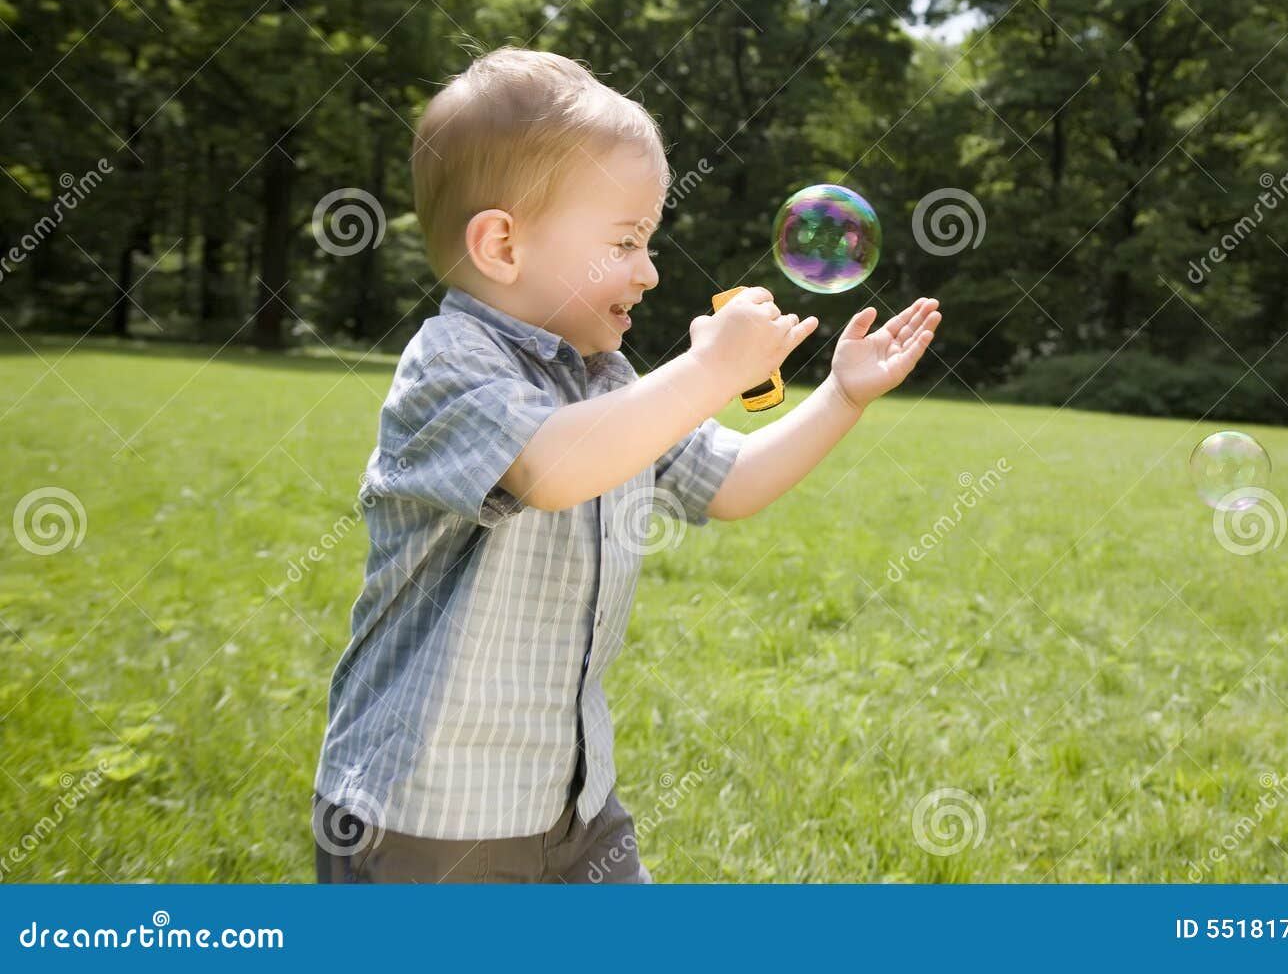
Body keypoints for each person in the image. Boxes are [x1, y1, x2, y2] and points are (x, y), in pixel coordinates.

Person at [311, 48, 941, 882]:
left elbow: (732, 481)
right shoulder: (449, 365)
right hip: (426, 817)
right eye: (625, 241)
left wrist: (840, 396)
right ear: (502, 244)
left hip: (571, 806)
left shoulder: (611, 381)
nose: (649, 270)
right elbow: (553, 468)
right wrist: (714, 369)